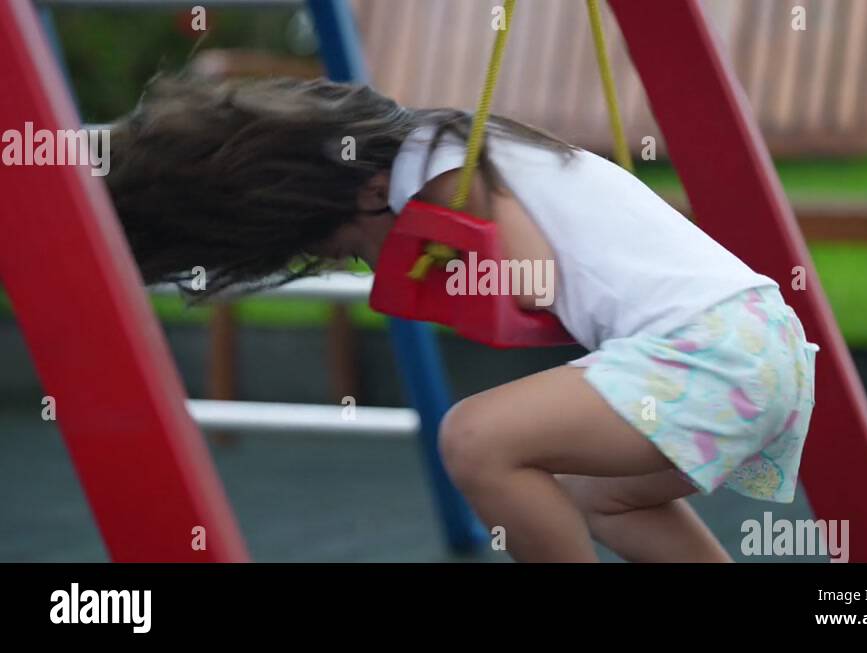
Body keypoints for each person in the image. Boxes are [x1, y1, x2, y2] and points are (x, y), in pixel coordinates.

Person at [108, 76, 819, 562]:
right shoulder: (464, 152)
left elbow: (533, 280)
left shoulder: (441, 165)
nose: (366, 263)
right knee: (603, 501)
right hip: (761, 341)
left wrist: (453, 252)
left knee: (474, 438)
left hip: (710, 350)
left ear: (370, 192)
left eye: (351, 250)